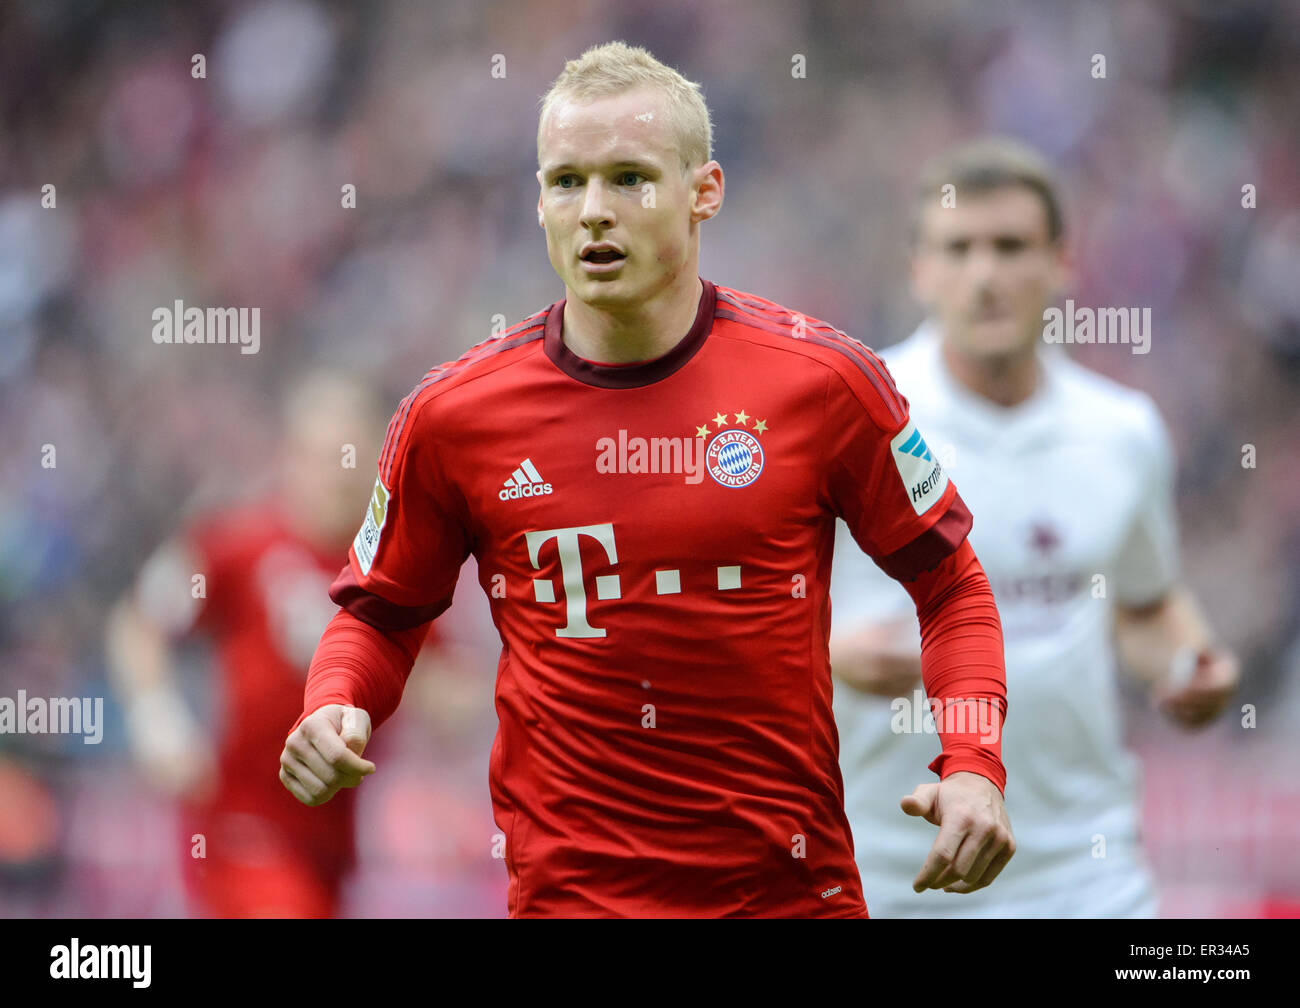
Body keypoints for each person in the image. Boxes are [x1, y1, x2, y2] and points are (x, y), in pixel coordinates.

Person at [280, 41, 1014, 918]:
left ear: (704, 191)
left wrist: (971, 764)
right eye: (566, 182)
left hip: (787, 898)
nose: (594, 211)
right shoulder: (452, 417)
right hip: (571, 903)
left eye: (630, 179)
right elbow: (380, 615)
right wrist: (334, 704)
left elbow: (950, 583)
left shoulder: (823, 384)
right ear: (539, 203)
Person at [829, 138, 1240, 918]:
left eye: (1011, 247)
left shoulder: (1122, 432)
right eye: (959, 249)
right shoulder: (852, 419)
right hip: (889, 871)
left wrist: (1192, 667)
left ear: (1060, 263)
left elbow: (1146, 607)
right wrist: (829, 654)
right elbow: (748, 608)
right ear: (919, 268)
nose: (985, 275)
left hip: (1084, 872)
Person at [107, 370, 415, 917]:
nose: (334, 475)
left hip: (330, 842)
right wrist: (157, 717)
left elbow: (453, 689)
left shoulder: (391, 569)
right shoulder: (239, 546)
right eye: (318, 454)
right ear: (289, 455)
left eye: (348, 455)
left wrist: (363, 662)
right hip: (241, 828)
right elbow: (139, 621)